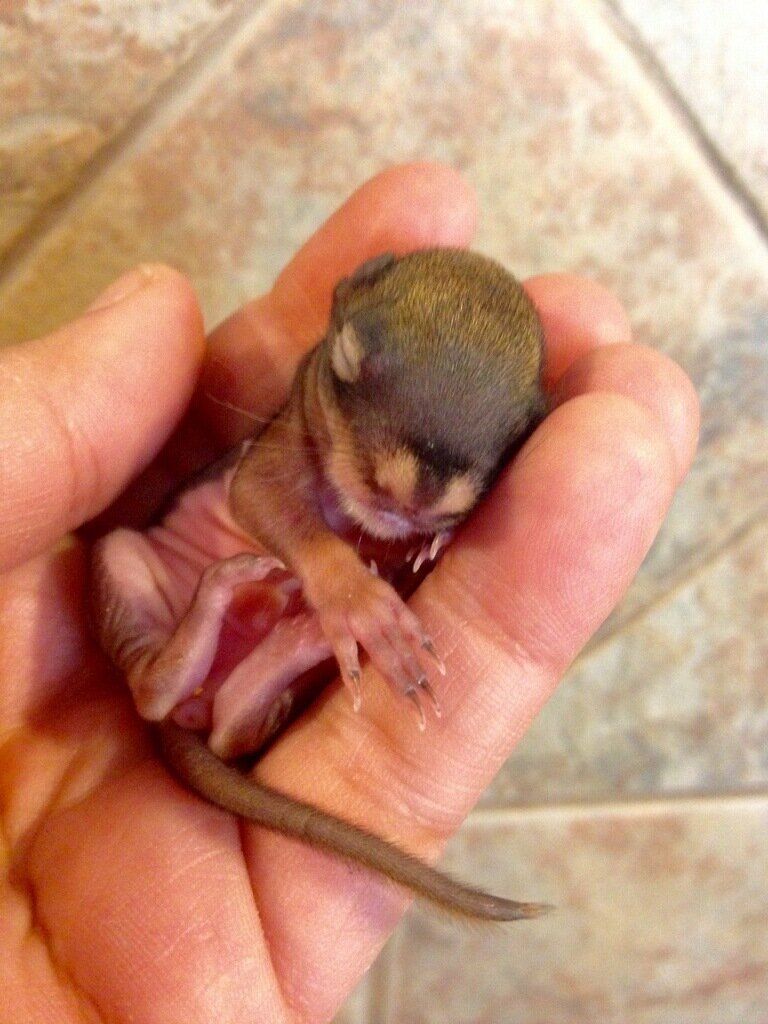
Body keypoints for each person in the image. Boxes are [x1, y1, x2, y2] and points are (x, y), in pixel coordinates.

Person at [0, 163, 698, 1023]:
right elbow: (258, 494)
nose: (392, 517)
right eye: (375, 483)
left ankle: (238, 685)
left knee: (259, 699)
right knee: (117, 557)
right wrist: (328, 569)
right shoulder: (305, 417)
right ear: (344, 348)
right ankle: (176, 676)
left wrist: (327, 602)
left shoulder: (413, 451)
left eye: (427, 510)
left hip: (238, 681)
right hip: (167, 602)